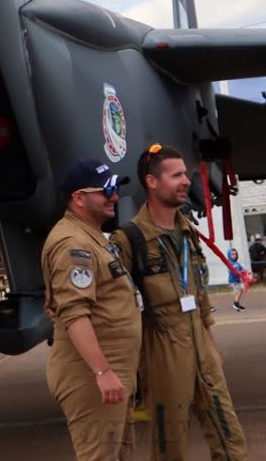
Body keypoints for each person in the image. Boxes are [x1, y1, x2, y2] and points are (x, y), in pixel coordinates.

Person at [110, 143, 248, 460]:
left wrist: (211, 349)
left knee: (232, 442)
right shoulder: (128, 240)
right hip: (162, 351)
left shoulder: (188, 232)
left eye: (185, 174)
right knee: (170, 448)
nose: (186, 180)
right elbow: (117, 310)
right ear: (152, 182)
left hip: (202, 349)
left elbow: (199, 300)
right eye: (176, 175)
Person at [41, 159, 141, 460]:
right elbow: (74, 313)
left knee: (120, 454)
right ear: (79, 198)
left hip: (112, 373)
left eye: (114, 189)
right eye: (106, 190)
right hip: (91, 377)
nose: (114, 197)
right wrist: (103, 371)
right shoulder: (73, 243)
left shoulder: (92, 236)